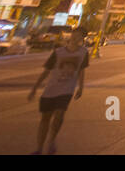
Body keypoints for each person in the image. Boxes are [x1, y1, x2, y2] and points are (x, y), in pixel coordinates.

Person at [27, 26, 89, 154]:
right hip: (50, 90)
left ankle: (51, 141)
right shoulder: (58, 52)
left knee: (59, 115)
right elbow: (46, 71)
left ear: (82, 39)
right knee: (45, 119)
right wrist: (34, 88)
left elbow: (82, 70)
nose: (75, 37)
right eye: (74, 34)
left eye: (79, 36)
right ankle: (39, 148)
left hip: (67, 90)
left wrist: (81, 88)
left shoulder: (83, 53)